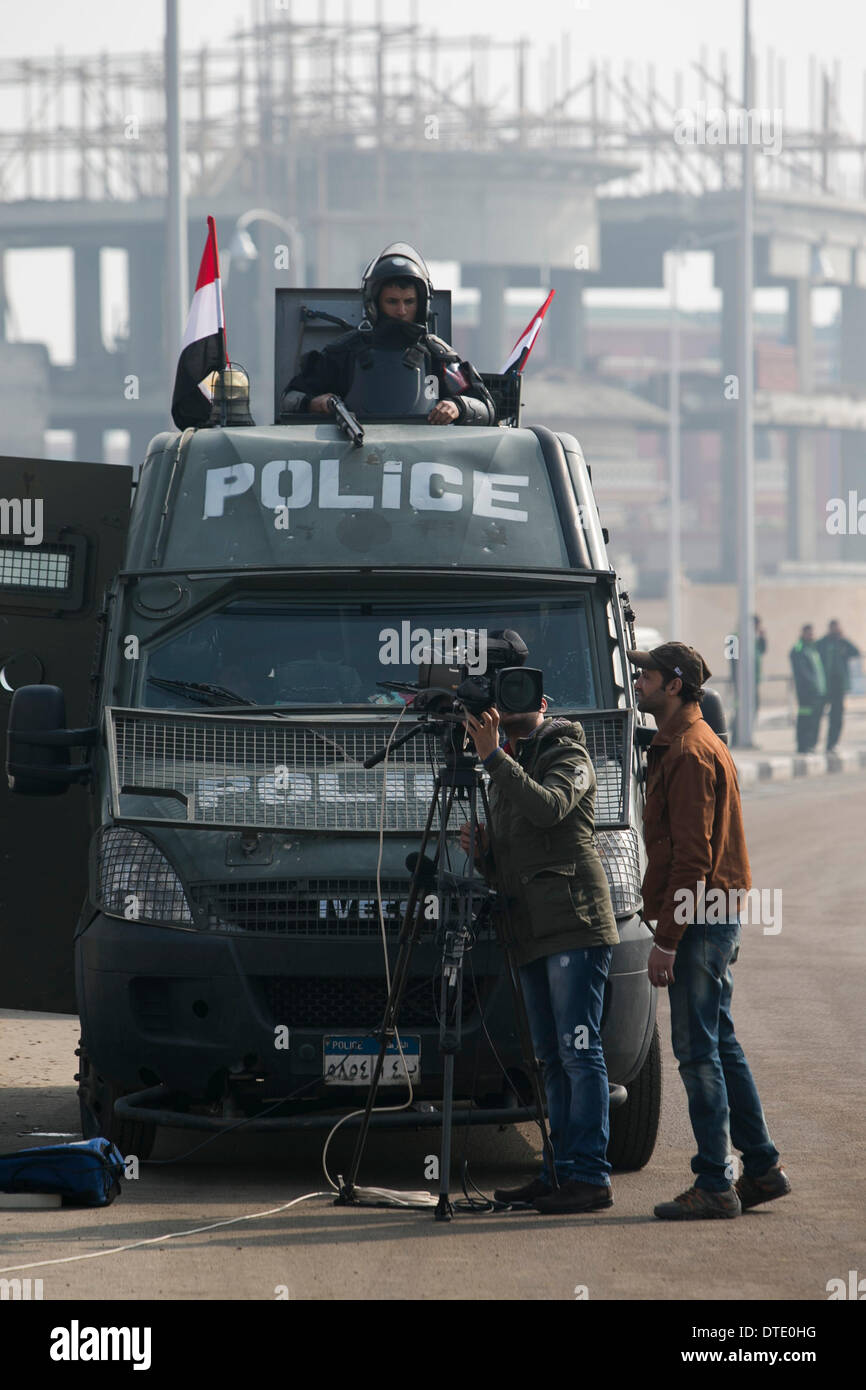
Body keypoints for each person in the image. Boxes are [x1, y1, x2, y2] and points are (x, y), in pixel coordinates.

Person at [628, 642, 789, 1220]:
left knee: (697, 1053)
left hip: (699, 918)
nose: (637, 682)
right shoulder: (686, 743)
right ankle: (763, 1169)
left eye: (645, 675)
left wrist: (667, 939)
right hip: (711, 912)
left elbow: (694, 859)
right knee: (720, 1041)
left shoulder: (691, 753)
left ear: (673, 685)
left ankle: (715, 1183)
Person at [460, 690, 619, 1215]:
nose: (506, 705)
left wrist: (491, 757)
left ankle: (591, 1177)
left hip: (573, 925)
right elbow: (515, 859)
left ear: (544, 702)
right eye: (501, 696)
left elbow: (550, 808)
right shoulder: (509, 768)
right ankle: (558, 1171)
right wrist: (484, 855)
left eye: (520, 694)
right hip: (529, 929)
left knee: (579, 1051)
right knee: (549, 1057)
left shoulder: (567, 753)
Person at [280, 242, 495, 425]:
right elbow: (290, 399)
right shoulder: (344, 353)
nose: (401, 311)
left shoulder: (438, 356)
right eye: (392, 302)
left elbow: (485, 408)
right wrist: (314, 403)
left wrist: (457, 406)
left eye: (409, 302)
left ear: (421, 305)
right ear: (374, 304)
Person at [815, 619, 860, 753]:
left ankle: (832, 744)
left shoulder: (843, 643)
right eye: (833, 628)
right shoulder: (822, 643)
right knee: (817, 716)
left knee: (837, 718)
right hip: (824, 686)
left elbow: (856, 652)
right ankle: (812, 742)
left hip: (839, 687)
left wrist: (844, 639)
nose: (835, 630)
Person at [789, 624, 826, 754]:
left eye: (812, 633)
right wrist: (811, 686)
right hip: (806, 693)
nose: (811, 636)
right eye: (808, 633)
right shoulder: (800, 649)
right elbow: (802, 671)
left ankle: (811, 744)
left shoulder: (813, 649)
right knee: (805, 718)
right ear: (803, 633)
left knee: (815, 720)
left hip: (818, 692)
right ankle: (803, 745)